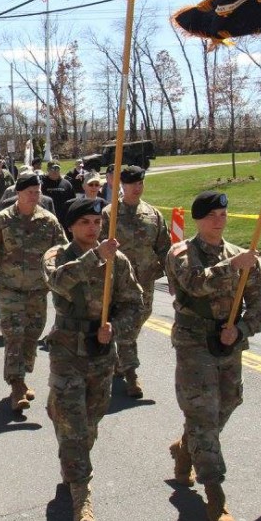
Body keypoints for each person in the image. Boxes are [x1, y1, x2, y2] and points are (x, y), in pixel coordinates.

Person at [165, 191, 261, 521]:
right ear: (198, 220)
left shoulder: (242, 256)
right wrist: (230, 268)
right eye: (212, 215)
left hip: (228, 345)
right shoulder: (182, 252)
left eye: (223, 214)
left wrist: (240, 330)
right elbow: (194, 284)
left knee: (227, 402)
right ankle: (215, 492)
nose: (219, 220)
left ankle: (187, 447)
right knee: (204, 415)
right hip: (194, 344)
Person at [42, 197, 143, 521]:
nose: (93, 227)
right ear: (71, 227)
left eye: (97, 222)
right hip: (67, 353)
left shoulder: (119, 261)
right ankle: (81, 499)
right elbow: (58, 281)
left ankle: (72, 461)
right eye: (85, 222)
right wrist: (96, 258)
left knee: (91, 421)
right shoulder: (57, 255)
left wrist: (116, 327)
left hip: (101, 354)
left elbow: (134, 303)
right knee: (73, 425)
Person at [0, 173, 67, 412]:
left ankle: (22, 375)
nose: (35, 196)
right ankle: (16, 384)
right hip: (10, 290)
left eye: (38, 192)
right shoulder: (2, 221)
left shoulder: (49, 221)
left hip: (38, 291)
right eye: (30, 192)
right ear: (18, 193)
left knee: (32, 336)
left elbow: (63, 253)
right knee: (14, 336)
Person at [101, 165, 170, 399]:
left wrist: (172, 277)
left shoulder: (153, 214)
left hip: (145, 279)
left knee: (139, 318)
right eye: (132, 184)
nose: (137, 188)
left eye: (141, 183)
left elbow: (164, 248)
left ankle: (119, 359)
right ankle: (131, 374)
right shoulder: (109, 214)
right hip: (119, 283)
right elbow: (98, 247)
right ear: (122, 185)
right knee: (126, 324)